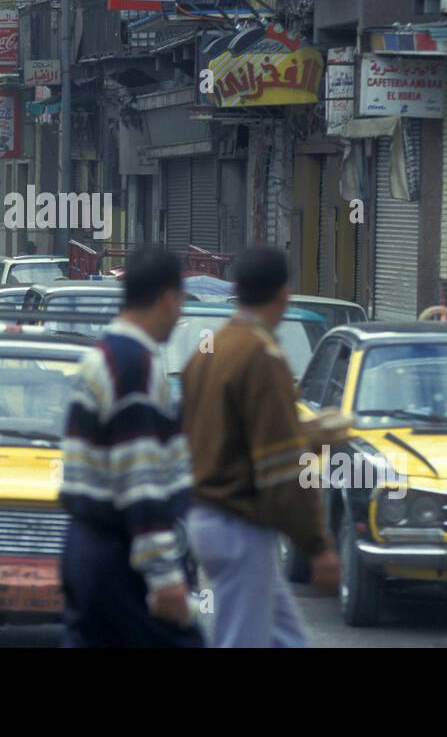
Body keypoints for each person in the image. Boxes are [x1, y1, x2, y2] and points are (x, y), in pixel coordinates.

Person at [181, 245, 341, 647]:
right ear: (283, 293)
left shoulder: (209, 352)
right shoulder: (262, 357)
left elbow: (229, 437)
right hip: (239, 525)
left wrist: (307, 434)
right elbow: (283, 466)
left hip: (208, 517)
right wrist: (317, 546)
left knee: (288, 638)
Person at [59, 244, 201, 647]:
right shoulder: (134, 365)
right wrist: (165, 576)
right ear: (169, 298)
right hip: (117, 552)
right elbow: (139, 477)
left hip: (88, 544)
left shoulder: (108, 354)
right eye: (182, 301)